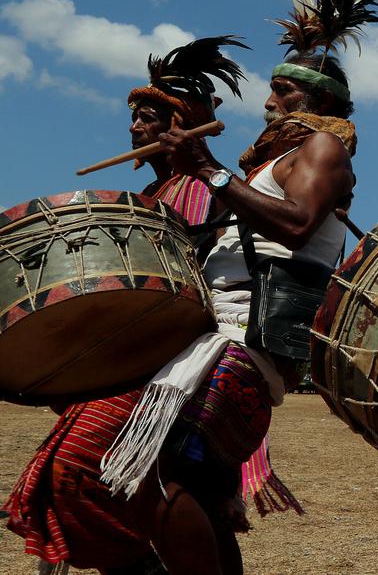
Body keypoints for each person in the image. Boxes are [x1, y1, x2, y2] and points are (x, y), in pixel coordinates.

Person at [4, 37, 256, 573]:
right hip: (154, 357)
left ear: (180, 127)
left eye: (147, 118)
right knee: (184, 497)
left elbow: (185, 294)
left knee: (85, 469)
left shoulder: (200, 190)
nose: (134, 128)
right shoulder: (159, 196)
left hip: (185, 359)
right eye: (135, 118)